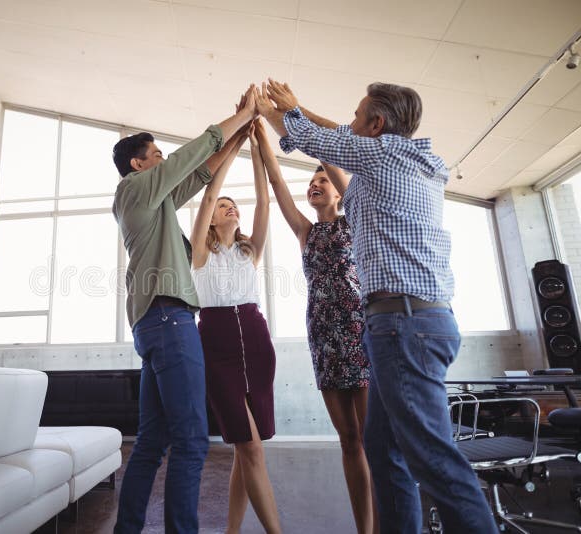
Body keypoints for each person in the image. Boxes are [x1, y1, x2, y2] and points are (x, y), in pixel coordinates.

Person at [255, 80, 497, 533]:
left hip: (404, 324)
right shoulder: (407, 161)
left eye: (356, 115)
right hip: (406, 321)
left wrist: (285, 109)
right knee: (383, 451)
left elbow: (317, 138)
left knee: (432, 457)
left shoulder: (381, 156)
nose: (348, 123)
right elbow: (337, 139)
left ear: (377, 124)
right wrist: (299, 114)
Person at [111, 86, 258, 534]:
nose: (163, 158)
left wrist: (239, 136)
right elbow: (190, 157)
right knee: (192, 441)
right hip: (169, 320)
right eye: (156, 154)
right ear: (139, 164)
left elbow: (201, 177)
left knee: (152, 441)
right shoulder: (136, 189)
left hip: (156, 323)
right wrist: (240, 117)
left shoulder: (154, 206)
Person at [254, 110, 376, 533]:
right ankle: (364, 528)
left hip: (359, 335)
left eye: (323, 180)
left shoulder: (357, 221)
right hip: (324, 338)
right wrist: (263, 141)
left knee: (370, 441)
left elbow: (343, 170)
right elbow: (278, 185)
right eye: (312, 181)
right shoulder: (307, 232)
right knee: (348, 441)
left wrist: (298, 122)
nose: (315, 184)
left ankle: (384, 523)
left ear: (339, 193)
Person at [190, 118, 280, 534]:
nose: (231, 208)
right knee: (249, 446)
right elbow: (208, 197)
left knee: (251, 448)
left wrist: (259, 149)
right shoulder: (200, 255)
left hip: (256, 341)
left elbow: (264, 203)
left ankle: (232, 530)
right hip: (217, 343)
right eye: (225, 207)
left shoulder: (249, 253)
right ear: (211, 222)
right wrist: (234, 142)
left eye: (233, 206)